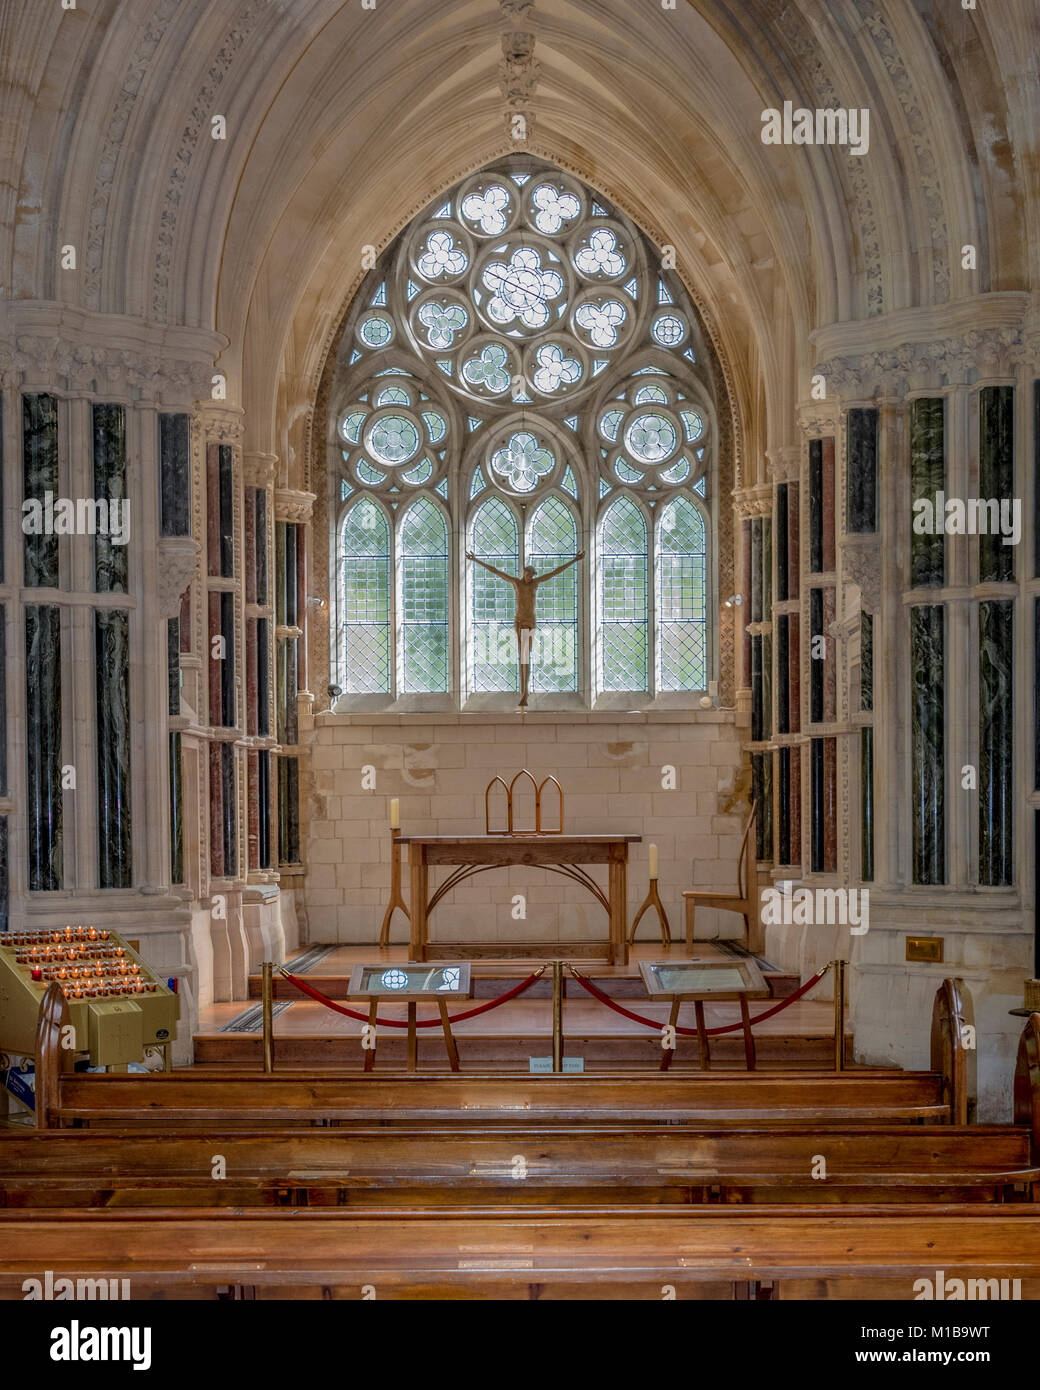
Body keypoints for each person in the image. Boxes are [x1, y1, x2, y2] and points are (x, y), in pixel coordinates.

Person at [466, 549, 586, 707]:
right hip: (519, 621)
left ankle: (525, 693)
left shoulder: (535, 584)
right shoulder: (516, 583)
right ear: (524, 573)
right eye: (528, 574)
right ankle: (524, 693)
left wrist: (575, 560)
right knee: (522, 657)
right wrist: (476, 560)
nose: (530, 577)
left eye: (532, 574)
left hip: (530, 622)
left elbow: (555, 572)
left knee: (525, 657)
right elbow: (496, 571)